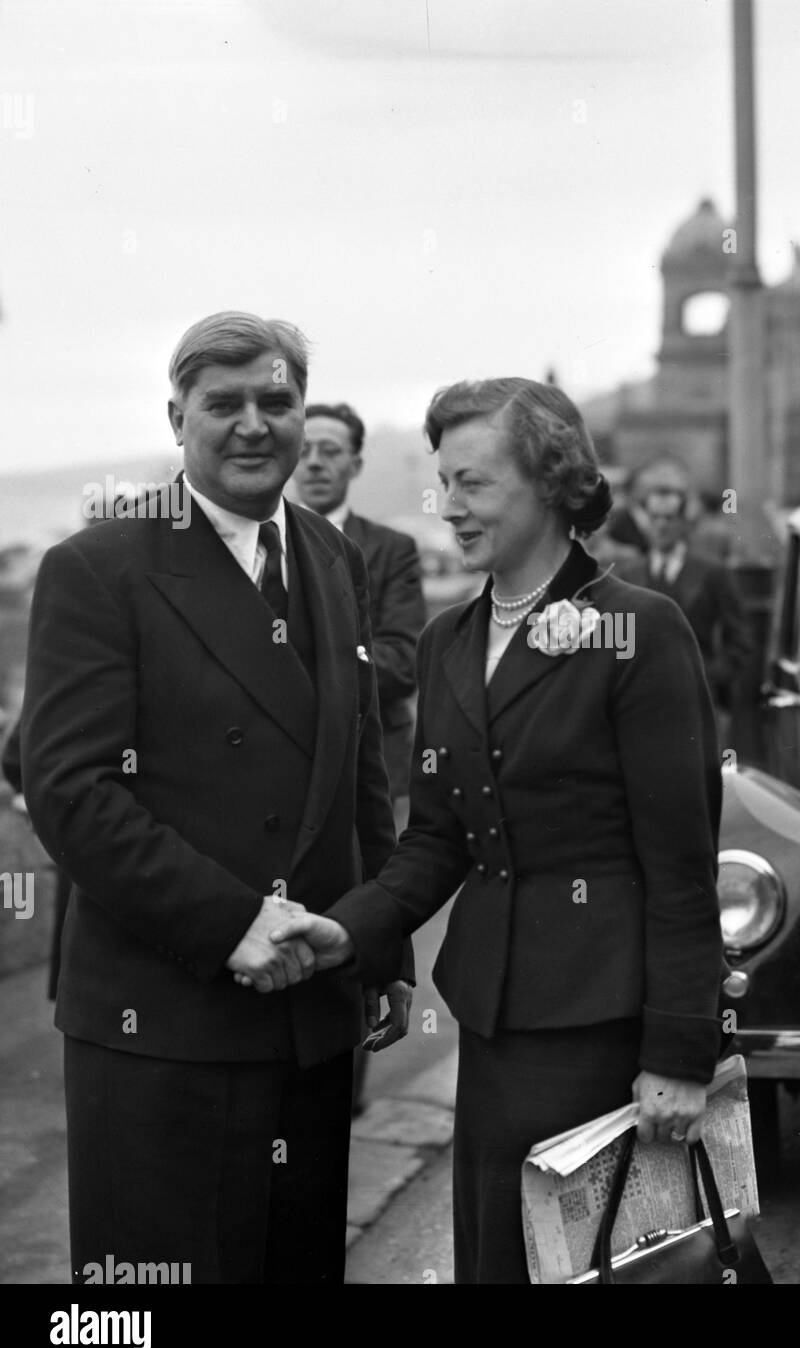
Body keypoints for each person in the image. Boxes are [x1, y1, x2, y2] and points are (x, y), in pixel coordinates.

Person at [251, 377, 726, 1284]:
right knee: (501, 1262)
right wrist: (351, 927)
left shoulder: (642, 630)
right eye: (442, 484)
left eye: (474, 484)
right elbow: (436, 837)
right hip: (497, 1022)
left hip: (607, 1022)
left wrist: (677, 1052)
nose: (450, 508)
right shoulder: (447, 641)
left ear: (550, 483)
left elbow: (681, 861)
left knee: (613, 1270)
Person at [21, 311, 410, 1285]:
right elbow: (67, 787)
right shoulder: (99, 568)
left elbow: (356, 766)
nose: (252, 424)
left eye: (275, 401)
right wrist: (230, 921)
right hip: (166, 1023)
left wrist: (379, 943)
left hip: (311, 1010)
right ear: (176, 417)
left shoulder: (330, 555)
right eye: (222, 403)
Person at [294, 402, 427, 1117]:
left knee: (355, 901)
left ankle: (342, 1090)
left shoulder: (389, 550)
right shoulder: (263, 550)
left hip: (363, 766)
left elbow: (402, 661)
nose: (314, 461)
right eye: (306, 447)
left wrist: (319, 669)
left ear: (354, 464)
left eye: (330, 450)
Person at [619, 488, 753, 746]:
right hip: (640, 706)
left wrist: (711, 675)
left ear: (683, 523)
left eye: (669, 518)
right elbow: (617, 644)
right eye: (655, 517)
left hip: (699, 703)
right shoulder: (628, 575)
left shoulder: (712, 572)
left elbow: (741, 639)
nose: (661, 526)